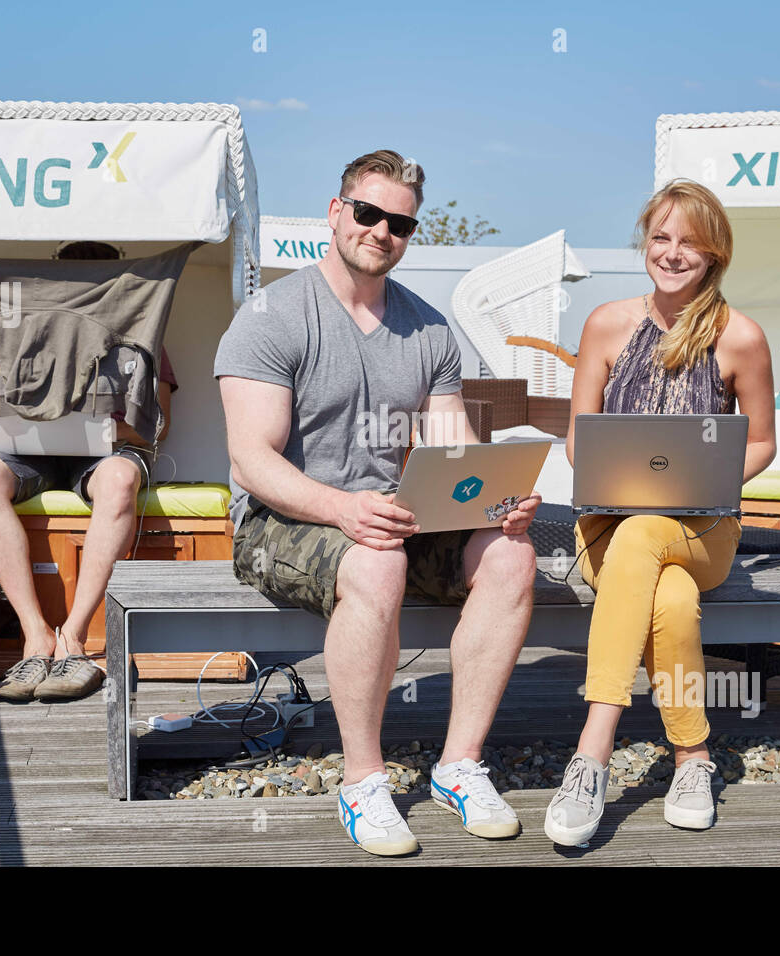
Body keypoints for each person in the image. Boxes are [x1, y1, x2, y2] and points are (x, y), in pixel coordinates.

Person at [214, 150, 540, 857]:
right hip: (282, 521)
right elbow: (252, 461)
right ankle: (364, 780)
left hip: (389, 517)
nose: (381, 230)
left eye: (399, 222)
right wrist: (341, 508)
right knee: (377, 563)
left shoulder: (427, 330)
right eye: (368, 213)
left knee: (512, 556)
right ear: (337, 214)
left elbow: (453, 458)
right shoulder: (272, 316)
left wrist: (495, 503)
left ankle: (458, 766)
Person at [544, 180, 776, 844]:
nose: (673, 253)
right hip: (606, 531)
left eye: (690, 242)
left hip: (704, 530)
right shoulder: (606, 324)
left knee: (652, 536)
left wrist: (712, 479)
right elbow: (579, 437)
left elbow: (761, 442)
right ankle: (692, 757)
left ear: (714, 254)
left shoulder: (740, 338)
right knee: (669, 602)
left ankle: (592, 751)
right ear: (645, 241)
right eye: (661, 237)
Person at [0, 240, 179, 703]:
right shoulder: (28, 335)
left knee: (120, 479)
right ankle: (35, 636)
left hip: (106, 455)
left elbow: (158, 426)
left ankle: (75, 640)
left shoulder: (144, 335)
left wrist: (109, 426)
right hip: (32, 454)